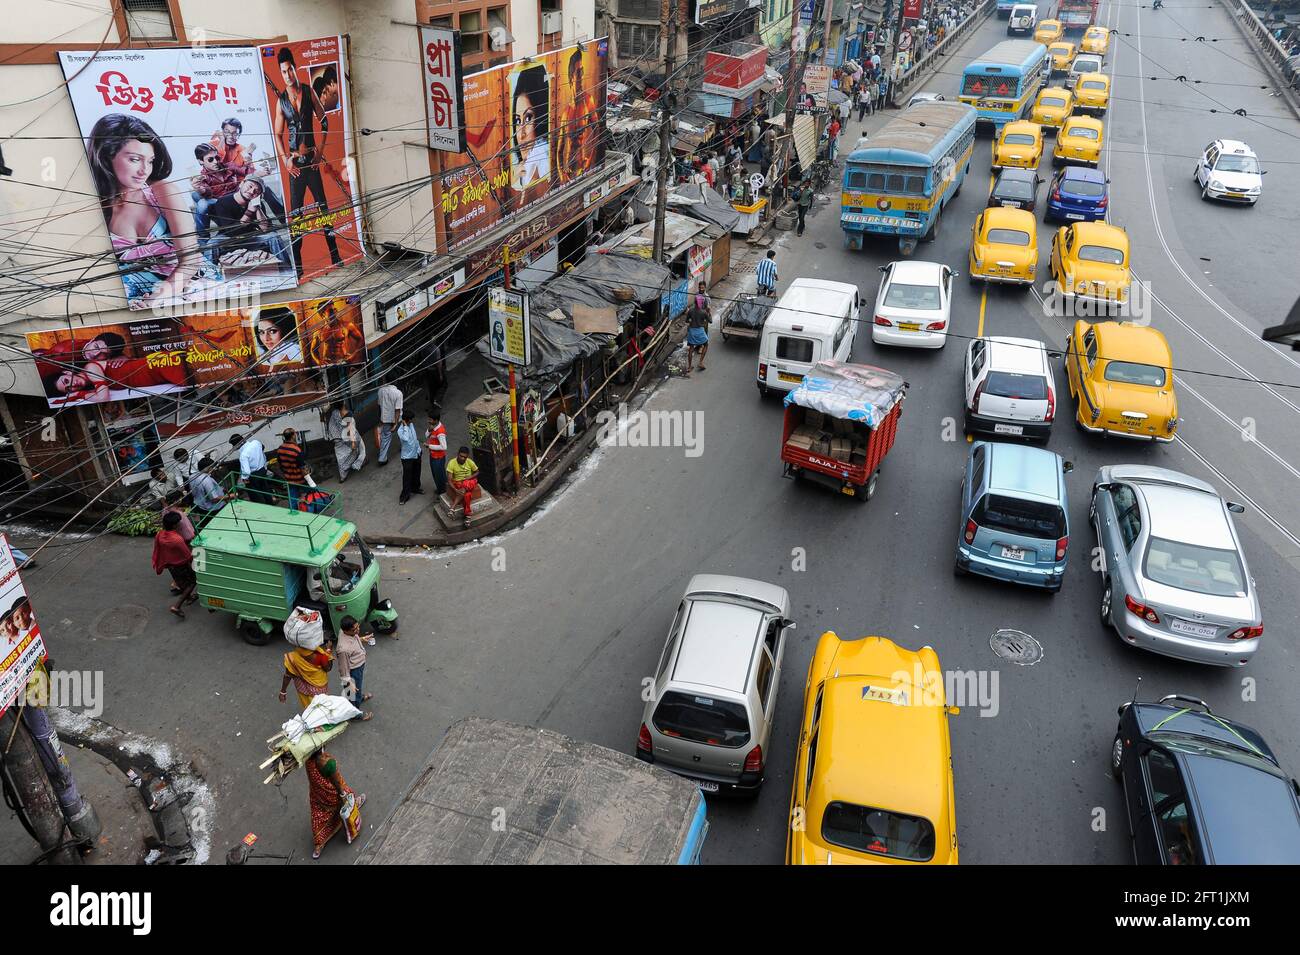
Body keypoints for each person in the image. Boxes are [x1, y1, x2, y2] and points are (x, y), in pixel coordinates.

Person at [87, 114, 218, 309]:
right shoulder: (94, 207)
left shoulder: (162, 192)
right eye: (134, 159)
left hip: (191, 289)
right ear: (106, 156)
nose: (144, 170)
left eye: (150, 161)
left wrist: (157, 297)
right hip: (134, 303)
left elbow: (191, 260)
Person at [269, 46, 345, 282]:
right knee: (297, 217)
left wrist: (320, 151)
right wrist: (285, 161)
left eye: (290, 69)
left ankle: (336, 257)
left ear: (294, 68)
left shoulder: (308, 91)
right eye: (283, 72)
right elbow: (277, 134)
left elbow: (323, 121)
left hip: (311, 163)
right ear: (281, 74)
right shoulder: (281, 101)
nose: (288, 74)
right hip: (295, 168)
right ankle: (298, 267)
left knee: (324, 211)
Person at [207, 178, 292, 271]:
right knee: (211, 243)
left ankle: (287, 271)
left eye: (256, 191)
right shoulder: (223, 202)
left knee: (273, 237)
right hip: (229, 239)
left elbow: (265, 229)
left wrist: (258, 208)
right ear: (241, 184)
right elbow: (232, 231)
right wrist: (249, 211)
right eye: (250, 186)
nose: (252, 191)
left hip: (250, 238)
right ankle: (210, 274)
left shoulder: (254, 204)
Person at [304, 750, 364, 860]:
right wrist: (342, 795)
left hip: (318, 796)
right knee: (347, 798)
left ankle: (319, 845)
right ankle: (355, 803)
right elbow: (337, 782)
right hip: (332, 795)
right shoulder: (327, 763)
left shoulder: (308, 761)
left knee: (318, 817)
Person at [511, 64, 552, 195]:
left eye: (528, 118)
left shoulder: (540, 154)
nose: (521, 134)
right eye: (517, 121)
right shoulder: (524, 168)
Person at [151, 511, 197, 619]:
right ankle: (177, 606)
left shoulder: (160, 534)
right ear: (175, 525)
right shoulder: (177, 539)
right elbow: (187, 555)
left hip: (170, 564)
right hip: (180, 564)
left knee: (181, 583)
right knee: (192, 582)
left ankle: (189, 598)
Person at [333, 616, 373, 721]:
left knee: (356, 690)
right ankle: (355, 714)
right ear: (346, 630)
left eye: (357, 626)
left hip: (358, 666)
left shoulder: (345, 632)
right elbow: (343, 668)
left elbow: (353, 641)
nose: (358, 630)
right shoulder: (343, 649)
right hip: (353, 671)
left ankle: (358, 698)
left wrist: (362, 639)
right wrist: (349, 682)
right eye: (354, 629)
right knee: (351, 694)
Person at [279, 637, 333, 710]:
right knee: (322, 708)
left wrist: (283, 692)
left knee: (308, 708)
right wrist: (328, 651)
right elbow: (328, 668)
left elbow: (287, 676)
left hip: (302, 688)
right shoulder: (321, 656)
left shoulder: (292, 658)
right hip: (319, 688)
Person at [325, 401, 365, 481]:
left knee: (340, 457)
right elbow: (350, 428)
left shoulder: (334, 413)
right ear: (343, 404)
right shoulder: (348, 413)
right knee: (360, 448)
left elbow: (331, 425)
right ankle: (357, 464)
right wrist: (353, 442)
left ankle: (342, 476)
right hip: (347, 438)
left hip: (337, 439)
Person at [230, 433, 274, 504]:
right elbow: (262, 447)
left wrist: (244, 479)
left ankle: (262, 508)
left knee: (256, 496)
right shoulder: (256, 442)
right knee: (265, 490)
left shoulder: (243, 455)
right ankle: (270, 504)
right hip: (262, 470)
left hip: (253, 476)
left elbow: (246, 471)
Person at [188, 456, 232, 524]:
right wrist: (230, 496)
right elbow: (214, 499)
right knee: (218, 523)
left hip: (200, 505)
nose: (214, 468)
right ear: (208, 468)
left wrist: (220, 489)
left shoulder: (192, 476)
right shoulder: (206, 480)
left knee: (206, 523)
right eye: (212, 467)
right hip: (212, 508)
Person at [445, 446, 479, 528]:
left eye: (465, 457)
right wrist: (455, 489)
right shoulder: (451, 463)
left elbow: (477, 472)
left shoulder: (469, 462)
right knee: (467, 495)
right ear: (458, 454)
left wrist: (469, 477)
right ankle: (468, 516)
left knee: (467, 483)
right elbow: (449, 480)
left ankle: (452, 507)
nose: (463, 458)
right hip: (458, 483)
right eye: (461, 456)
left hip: (470, 481)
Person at [275, 428, 308, 508]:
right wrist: (307, 476)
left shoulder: (280, 449)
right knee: (309, 494)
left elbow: (280, 464)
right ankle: (311, 508)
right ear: (293, 436)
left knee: (292, 498)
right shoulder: (296, 450)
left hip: (289, 478)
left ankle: (294, 512)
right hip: (299, 478)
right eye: (295, 434)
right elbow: (302, 467)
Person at [396, 411, 423, 504]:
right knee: (407, 477)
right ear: (407, 420)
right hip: (407, 457)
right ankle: (404, 496)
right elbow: (406, 438)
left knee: (417, 472)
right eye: (410, 420)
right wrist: (405, 426)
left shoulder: (411, 425)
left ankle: (415, 488)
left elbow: (414, 438)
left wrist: (419, 449)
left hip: (416, 454)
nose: (412, 422)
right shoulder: (400, 431)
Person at [375, 380, 403, 464]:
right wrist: (395, 423)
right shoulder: (398, 393)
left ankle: (382, 458)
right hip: (396, 419)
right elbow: (397, 410)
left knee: (385, 437)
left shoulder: (380, 391)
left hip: (385, 418)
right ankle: (404, 447)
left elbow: (379, 406)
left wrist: (380, 419)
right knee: (401, 432)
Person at [426, 406, 448, 496]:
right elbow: (426, 435)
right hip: (433, 455)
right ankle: (440, 489)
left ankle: (443, 493)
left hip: (438, 458)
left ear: (435, 420)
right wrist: (429, 430)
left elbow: (444, 447)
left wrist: (429, 446)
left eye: (430, 419)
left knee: (440, 476)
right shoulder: (433, 427)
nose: (428, 421)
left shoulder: (440, 432)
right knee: (435, 474)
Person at [685, 296, 710, 374]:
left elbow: (687, 320)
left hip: (692, 331)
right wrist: (708, 312)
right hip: (700, 331)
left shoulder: (690, 311)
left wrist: (690, 319)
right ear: (701, 303)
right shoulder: (704, 312)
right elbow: (710, 321)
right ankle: (701, 362)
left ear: (695, 302)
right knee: (706, 344)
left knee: (691, 348)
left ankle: (689, 367)